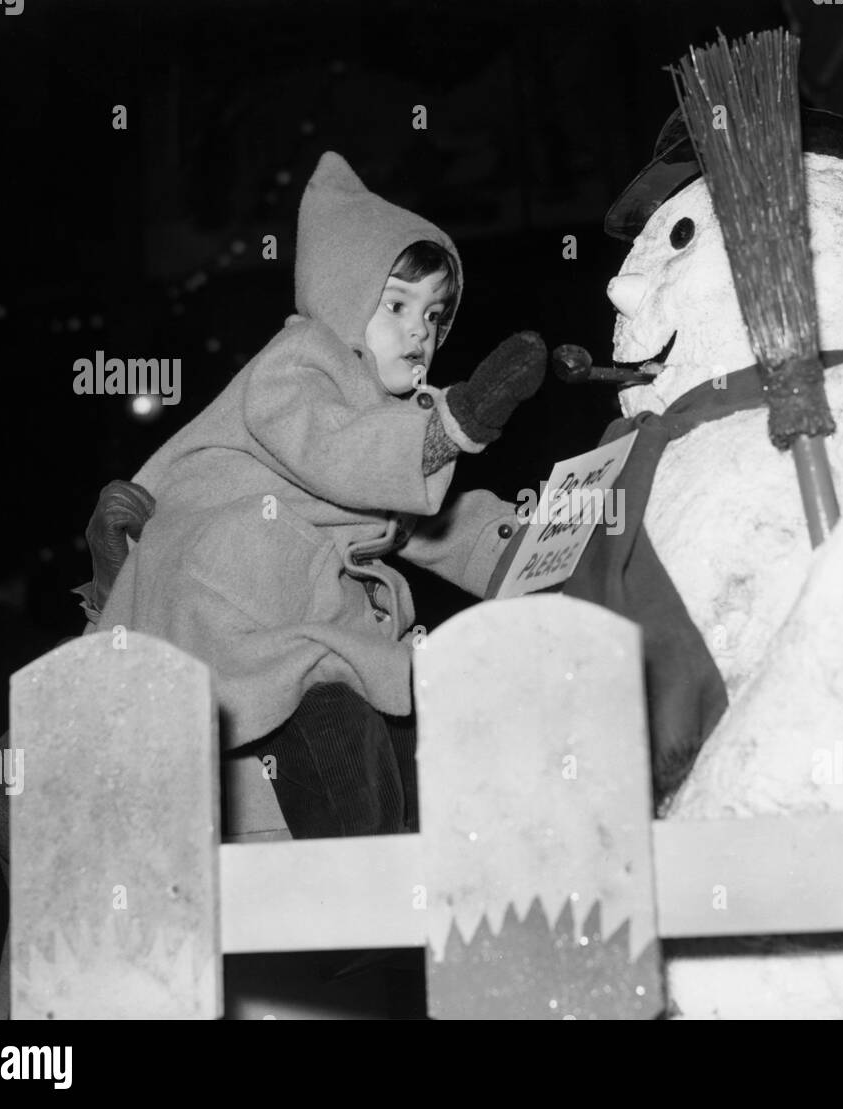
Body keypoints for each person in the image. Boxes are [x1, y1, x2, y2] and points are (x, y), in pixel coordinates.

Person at [83, 150, 544, 839]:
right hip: (226, 606)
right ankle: (360, 908)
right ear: (340, 292)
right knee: (337, 730)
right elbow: (334, 451)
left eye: (435, 313)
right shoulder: (297, 364)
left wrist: (538, 545)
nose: (420, 329)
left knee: (398, 739)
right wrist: (449, 429)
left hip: (290, 617)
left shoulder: (384, 418)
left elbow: (430, 521)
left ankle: (393, 887)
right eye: (396, 304)